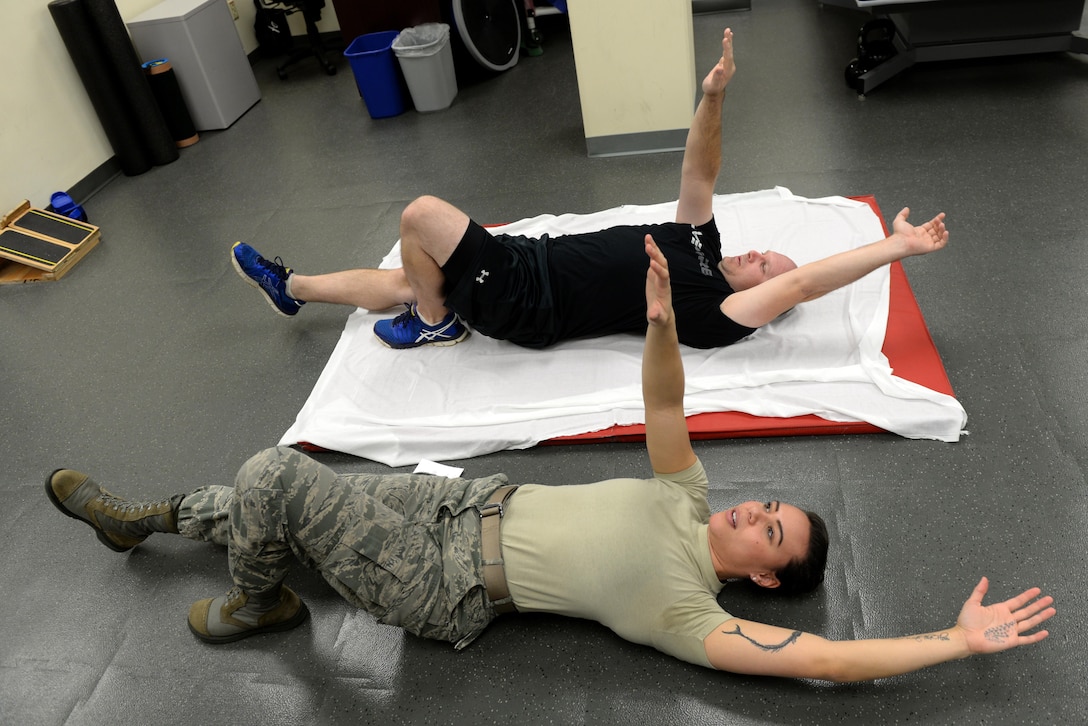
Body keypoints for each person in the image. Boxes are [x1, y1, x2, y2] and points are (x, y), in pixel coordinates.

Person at [47, 236, 1052, 680]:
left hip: (442, 581)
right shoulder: (685, 493)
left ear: (759, 577)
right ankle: (145, 517)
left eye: (768, 533)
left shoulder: (688, 613)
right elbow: (665, 398)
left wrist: (951, 644)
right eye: (766, 508)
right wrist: (660, 320)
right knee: (265, 505)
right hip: (457, 505)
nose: (752, 513)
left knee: (275, 477)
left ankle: (262, 603)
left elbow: (828, 660)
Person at [230, 28, 949, 350]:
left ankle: (438, 324)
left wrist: (892, 246)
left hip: (526, 299)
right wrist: (713, 96)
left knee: (421, 218)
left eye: (768, 265)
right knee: (409, 276)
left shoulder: (711, 312)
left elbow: (800, 288)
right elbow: (700, 171)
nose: (761, 256)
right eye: (767, 255)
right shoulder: (703, 241)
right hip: (527, 259)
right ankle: (295, 288)